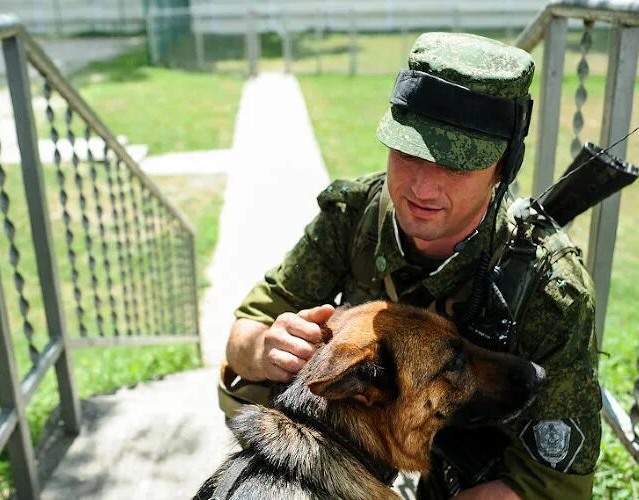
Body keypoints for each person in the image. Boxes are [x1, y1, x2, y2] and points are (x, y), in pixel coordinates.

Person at [222, 32, 601, 499]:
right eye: (408, 153)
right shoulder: (355, 215)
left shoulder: (550, 288)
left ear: (502, 169)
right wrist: (264, 348)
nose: (422, 187)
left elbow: (553, 482)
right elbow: (245, 333)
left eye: (456, 166)